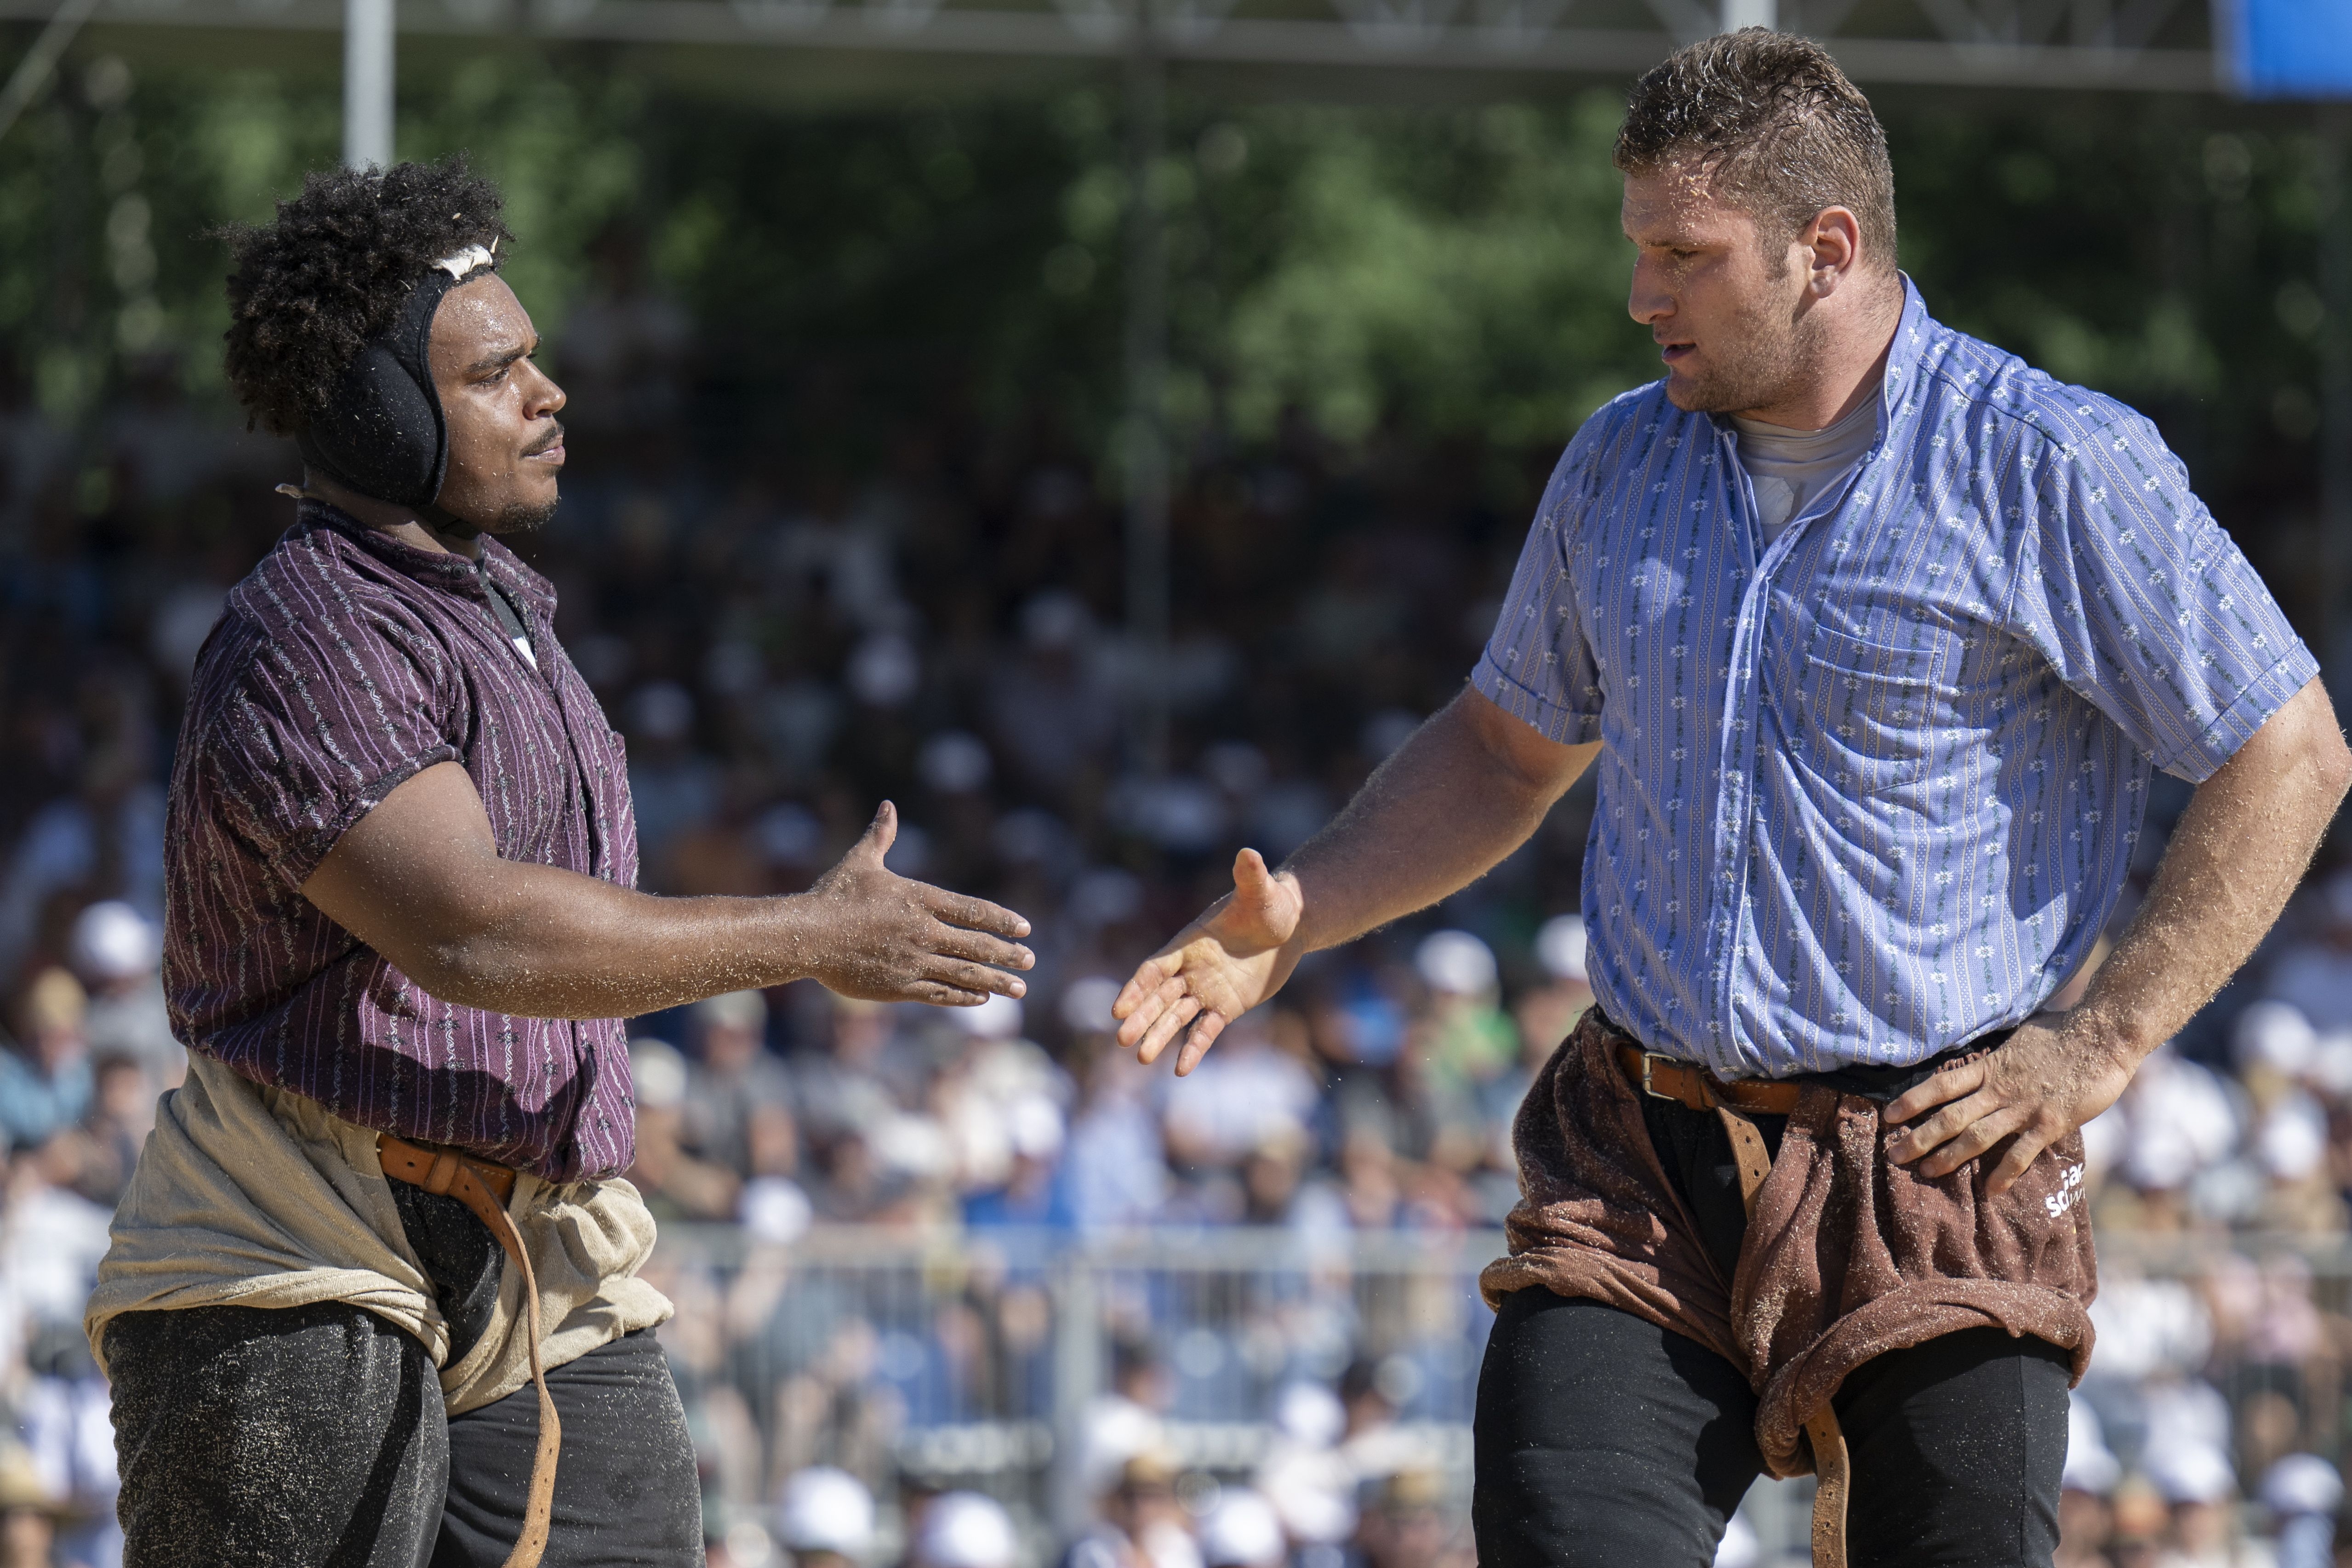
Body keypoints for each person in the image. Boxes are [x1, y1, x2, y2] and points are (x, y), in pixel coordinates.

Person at [1112, 30, 2352, 1568]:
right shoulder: (1616, 463)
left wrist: (2097, 1043)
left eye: (1683, 256)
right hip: (1641, 1155)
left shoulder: (2052, 463)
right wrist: (1299, 916)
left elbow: (2288, 749)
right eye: (1637, 250)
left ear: (1823, 250)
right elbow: (1504, 752)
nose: (1641, 297)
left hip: (1940, 1164)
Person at [84, 157, 1035, 1568]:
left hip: (545, 1252)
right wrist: (812, 935)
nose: (551, 393)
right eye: (497, 372)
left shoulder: (504, 615)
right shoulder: (310, 635)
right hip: (301, 1235)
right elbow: (471, 935)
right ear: (379, 410)